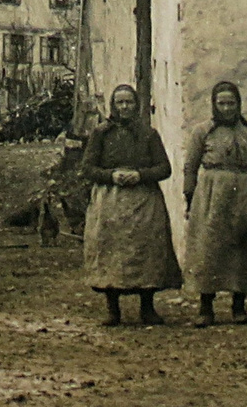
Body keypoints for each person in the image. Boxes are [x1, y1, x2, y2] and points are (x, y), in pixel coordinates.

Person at [81, 84, 183, 326]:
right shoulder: (101, 134)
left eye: (129, 102)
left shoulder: (149, 134)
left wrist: (140, 175)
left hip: (144, 201)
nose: (124, 107)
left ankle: (147, 307)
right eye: (119, 103)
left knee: (146, 252)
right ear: (113, 106)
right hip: (110, 201)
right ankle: (112, 309)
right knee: (110, 252)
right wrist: (111, 176)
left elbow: (164, 168)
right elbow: (87, 168)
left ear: (136, 106)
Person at [182, 80, 247, 327]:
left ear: (238, 104)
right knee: (208, 248)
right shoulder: (203, 131)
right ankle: (206, 307)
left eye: (231, 103)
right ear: (214, 104)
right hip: (211, 193)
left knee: (241, 248)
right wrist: (190, 198)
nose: (227, 108)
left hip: (243, 192)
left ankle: (238, 306)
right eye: (221, 103)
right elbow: (191, 166)